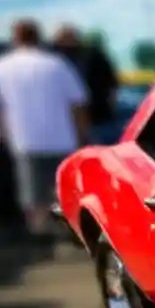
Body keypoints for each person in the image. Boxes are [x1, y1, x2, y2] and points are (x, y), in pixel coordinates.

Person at [0, 19, 89, 239]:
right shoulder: (57, 64)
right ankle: (71, 233)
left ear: (15, 38)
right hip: (63, 139)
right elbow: (78, 102)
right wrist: (82, 135)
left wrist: (4, 135)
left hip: (25, 140)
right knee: (64, 191)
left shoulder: (4, 67)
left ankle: (41, 235)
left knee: (33, 195)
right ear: (38, 36)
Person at [52, 24, 118, 144]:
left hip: (96, 117)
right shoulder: (57, 59)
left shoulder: (92, 56)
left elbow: (112, 85)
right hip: (80, 121)